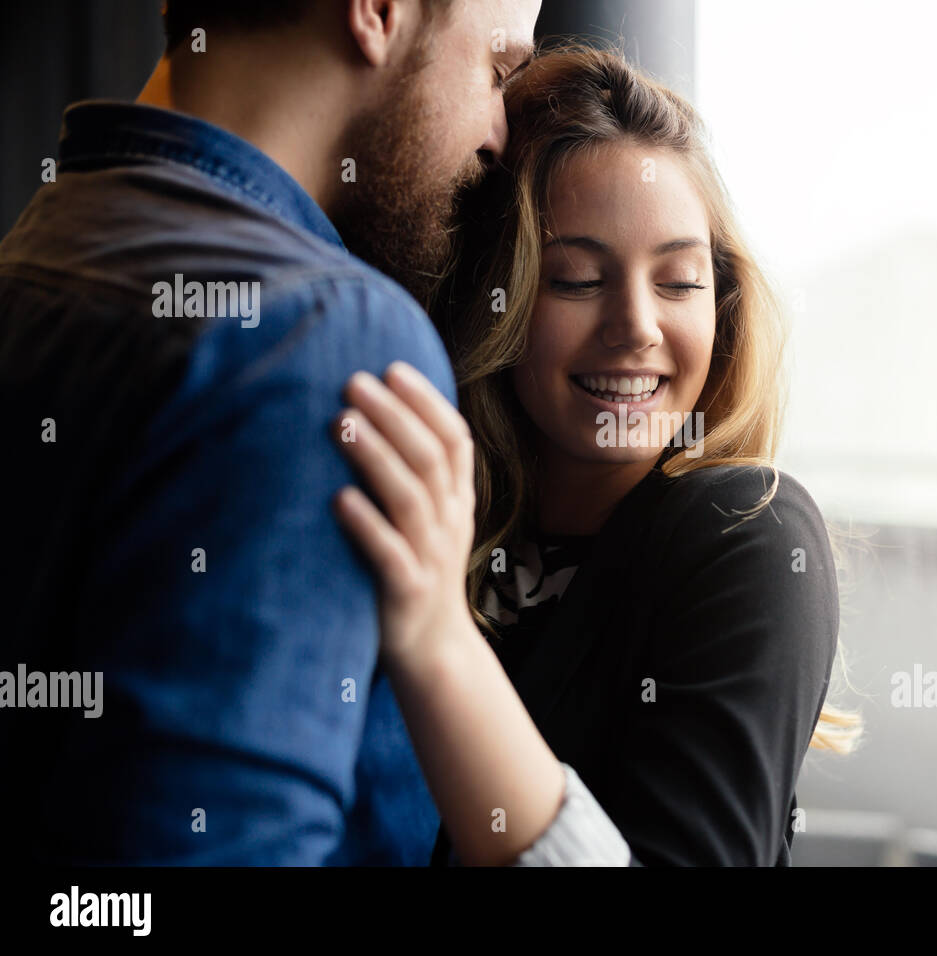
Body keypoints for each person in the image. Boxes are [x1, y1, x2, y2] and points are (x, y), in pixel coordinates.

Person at [0, 0, 541, 864]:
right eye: (498, 70)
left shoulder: (37, 254)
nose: (500, 134)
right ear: (377, 13)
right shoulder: (326, 337)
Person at [331, 46, 863, 866]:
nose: (636, 326)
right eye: (577, 279)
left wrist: (437, 638)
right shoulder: (439, 523)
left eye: (679, 282)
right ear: (494, 296)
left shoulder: (750, 534)